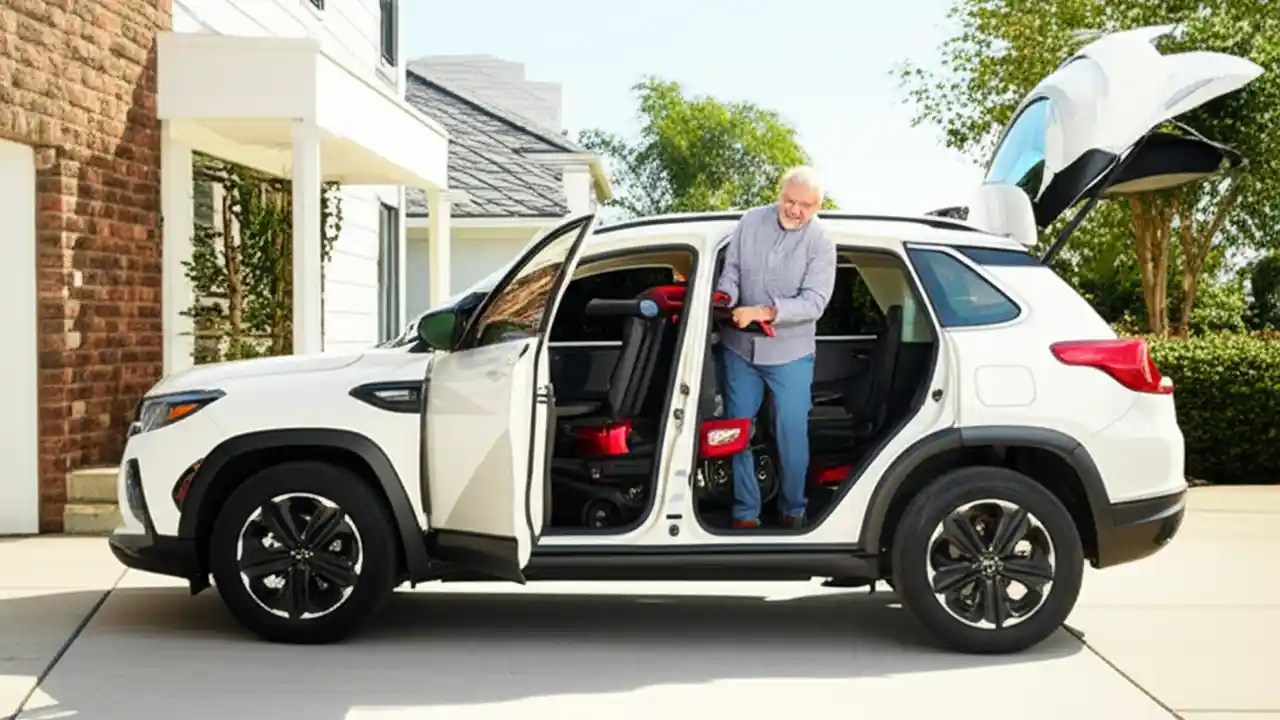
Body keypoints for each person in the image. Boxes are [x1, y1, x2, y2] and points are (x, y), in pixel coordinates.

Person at [714, 166, 836, 529]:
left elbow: (814, 302)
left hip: (791, 353)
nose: (794, 209)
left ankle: (794, 509)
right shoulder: (751, 221)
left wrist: (763, 312)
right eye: (789, 200)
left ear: (817, 207)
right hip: (740, 349)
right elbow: (732, 269)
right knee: (738, 429)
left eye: (805, 205)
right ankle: (745, 513)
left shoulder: (821, 242)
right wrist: (725, 296)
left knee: (791, 432)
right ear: (779, 193)